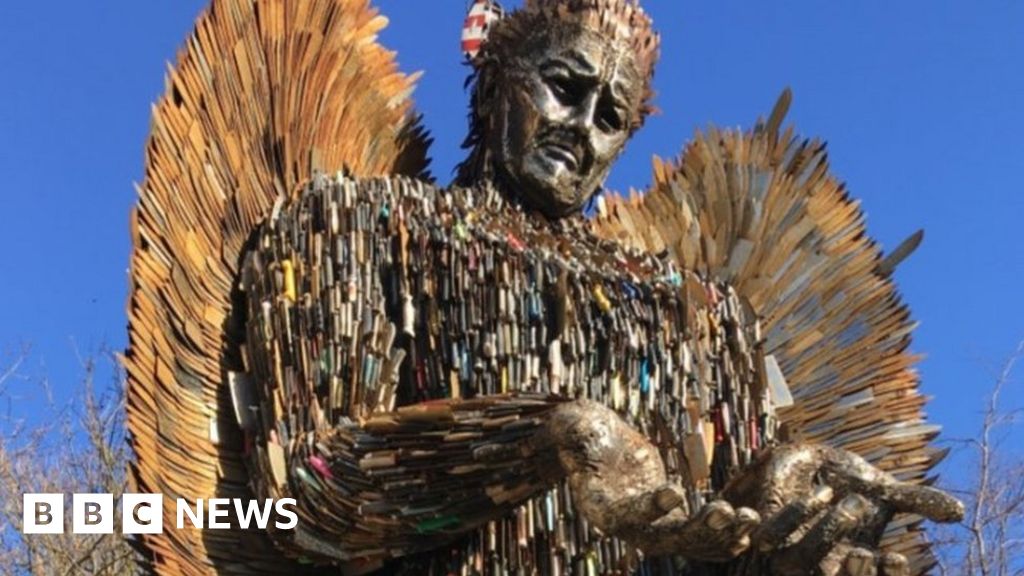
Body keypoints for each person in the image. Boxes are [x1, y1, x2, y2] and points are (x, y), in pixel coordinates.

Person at [232, 1, 962, 575]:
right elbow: (304, 500)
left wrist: (791, 514)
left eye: (610, 116)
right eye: (564, 88)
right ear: (493, 85)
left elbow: (718, 537)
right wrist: (549, 436)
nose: (580, 128)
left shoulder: (708, 318)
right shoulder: (357, 224)